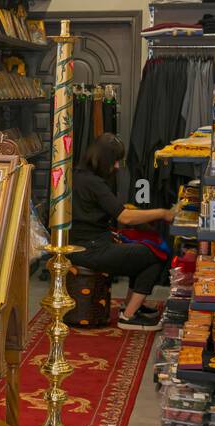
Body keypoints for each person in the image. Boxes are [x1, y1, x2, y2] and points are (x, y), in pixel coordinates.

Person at [69, 134, 178, 330]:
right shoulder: (94, 183)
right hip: (92, 250)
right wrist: (163, 213)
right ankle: (128, 317)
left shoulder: (78, 176)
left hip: (86, 245)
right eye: (115, 161)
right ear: (104, 161)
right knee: (157, 254)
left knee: (144, 250)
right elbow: (124, 217)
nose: (118, 166)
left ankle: (132, 306)